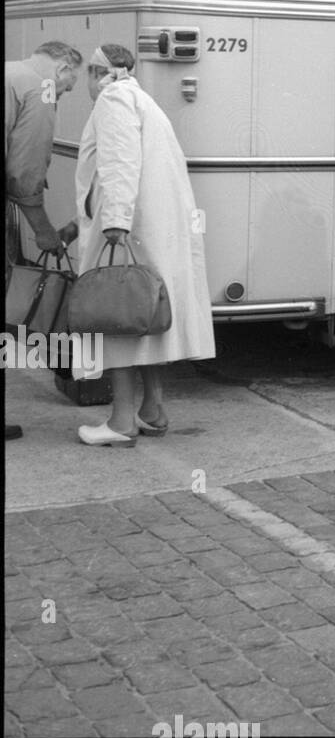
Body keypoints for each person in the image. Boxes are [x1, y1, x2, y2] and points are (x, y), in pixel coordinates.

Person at [73, 45, 215, 445]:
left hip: (128, 228)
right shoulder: (142, 99)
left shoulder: (112, 99)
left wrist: (114, 222)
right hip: (151, 228)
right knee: (144, 320)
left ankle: (120, 422)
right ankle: (151, 409)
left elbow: (119, 163)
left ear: (97, 72)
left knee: (116, 317)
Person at [5, 42, 83, 441]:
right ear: (64, 68)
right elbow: (25, 170)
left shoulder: (10, 71)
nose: (68, 92)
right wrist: (43, 229)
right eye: (71, 83)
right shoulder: (41, 88)